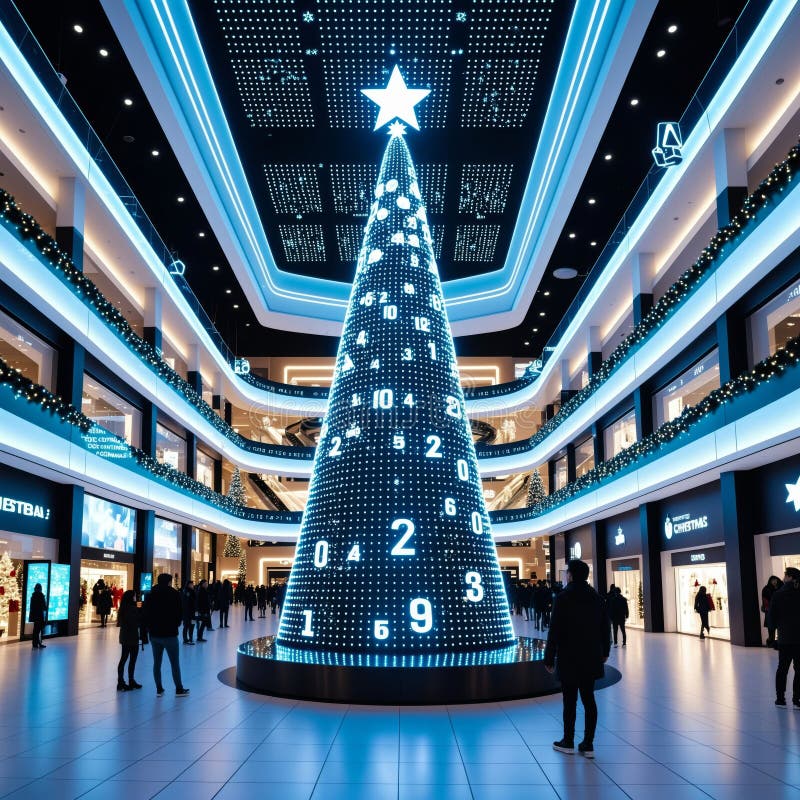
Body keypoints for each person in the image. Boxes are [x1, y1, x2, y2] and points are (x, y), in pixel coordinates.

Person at [544, 559, 610, 758]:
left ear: (571, 575)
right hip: (591, 656)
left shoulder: (562, 598)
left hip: (569, 656)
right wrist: (605, 651)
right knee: (589, 699)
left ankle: (568, 741)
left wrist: (549, 657)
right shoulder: (597, 598)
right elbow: (605, 628)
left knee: (569, 700)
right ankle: (588, 744)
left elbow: (554, 630)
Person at [142, 573, 189, 697]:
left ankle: (159, 689)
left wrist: (149, 628)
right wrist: (176, 624)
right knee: (174, 663)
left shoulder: (150, 593)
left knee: (157, 663)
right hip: (170, 634)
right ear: (169, 582)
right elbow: (179, 611)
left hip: (155, 635)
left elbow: (145, 612)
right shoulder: (174, 593)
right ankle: (179, 689)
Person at [770, 567, 800, 709]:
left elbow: (772, 618)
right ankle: (797, 699)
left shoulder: (778, 594)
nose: (783, 577)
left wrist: (774, 634)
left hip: (785, 638)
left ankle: (780, 699)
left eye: (785, 575)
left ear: (790, 577)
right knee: (799, 669)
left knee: (782, 669)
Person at [117, 589, 144, 691]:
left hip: (126, 636)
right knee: (130, 659)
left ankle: (124, 681)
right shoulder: (131, 608)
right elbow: (137, 620)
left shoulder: (124, 608)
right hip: (131, 636)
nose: (135, 598)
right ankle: (126, 681)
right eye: (134, 596)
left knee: (125, 659)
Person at [762, 575, 784, 647]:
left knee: (780, 627)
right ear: (770, 581)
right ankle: (770, 642)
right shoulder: (766, 589)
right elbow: (765, 600)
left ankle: (779, 642)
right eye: (772, 580)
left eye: (775, 580)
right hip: (770, 611)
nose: (774, 582)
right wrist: (768, 608)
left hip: (780, 611)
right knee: (771, 628)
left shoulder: (782, 587)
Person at [29, 582, 47, 650]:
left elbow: (31, 607)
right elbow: (44, 607)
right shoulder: (41, 596)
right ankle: (38, 643)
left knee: (35, 630)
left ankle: (35, 643)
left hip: (34, 616)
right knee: (38, 629)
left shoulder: (33, 596)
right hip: (39, 615)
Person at [181, 581, 196, 645]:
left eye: (192, 584)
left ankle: (190, 638)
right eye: (191, 584)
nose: (192, 585)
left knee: (191, 625)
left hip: (192, 612)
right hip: (187, 613)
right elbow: (186, 603)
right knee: (187, 626)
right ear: (188, 585)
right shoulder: (186, 592)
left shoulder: (192, 591)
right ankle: (186, 639)